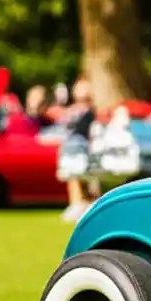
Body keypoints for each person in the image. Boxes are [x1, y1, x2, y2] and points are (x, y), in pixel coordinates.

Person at [60, 78, 98, 222]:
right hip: (71, 147)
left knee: (83, 177)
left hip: (83, 148)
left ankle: (84, 205)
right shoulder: (72, 111)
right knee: (73, 177)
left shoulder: (90, 112)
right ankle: (76, 204)